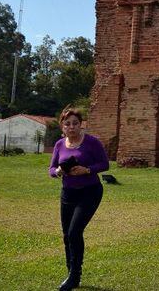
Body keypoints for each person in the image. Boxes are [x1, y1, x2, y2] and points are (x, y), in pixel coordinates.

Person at [48, 107, 109, 291]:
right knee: (67, 235)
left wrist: (87, 170)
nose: (72, 127)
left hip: (90, 192)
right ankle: (71, 273)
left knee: (74, 232)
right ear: (62, 126)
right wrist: (58, 171)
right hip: (68, 193)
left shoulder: (92, 142)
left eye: (75, 123)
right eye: (67, 124)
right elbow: (51, 169)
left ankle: (75, 275)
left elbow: (105, 164)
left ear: (81, 125)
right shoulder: (59, 145)